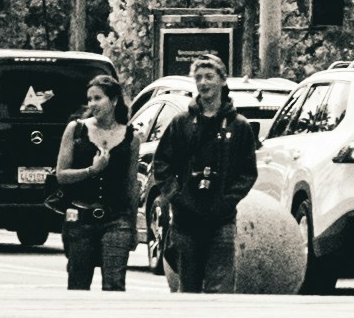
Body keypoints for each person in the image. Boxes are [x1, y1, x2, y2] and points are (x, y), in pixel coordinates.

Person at [156, 73, 261, 294]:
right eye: (199, 77)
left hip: (221, 220)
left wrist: (227, 200)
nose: (203, 82)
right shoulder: (181, 123)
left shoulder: (239, 126)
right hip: (186, 220)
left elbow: (248, 172)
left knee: (220, 288)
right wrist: (176, 195)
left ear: (223, 81)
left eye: (209, 76)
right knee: (188, 288)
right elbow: (162, 164)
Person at [54, 84, 139, 295]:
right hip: (81, 217)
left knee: (114, 284)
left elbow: (131, 184)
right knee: (78, 284)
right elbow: (61, 174)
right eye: (90, 99)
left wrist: (133, 225)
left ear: (114, 100)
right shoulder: (76, 130)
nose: (92, 104)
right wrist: (92, 170)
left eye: (98, 98)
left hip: (117, 219)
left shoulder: (131, 137)